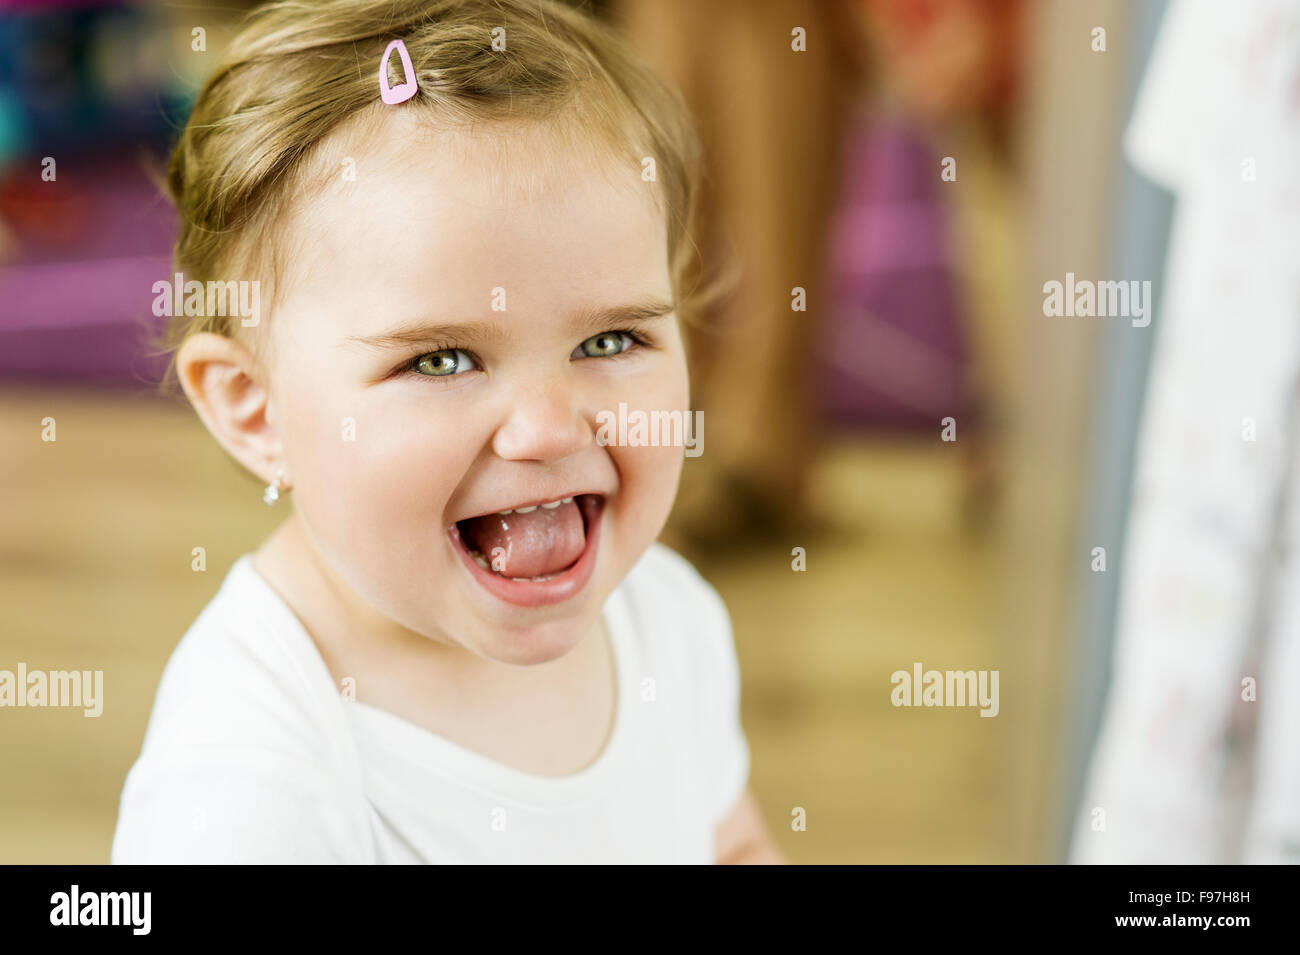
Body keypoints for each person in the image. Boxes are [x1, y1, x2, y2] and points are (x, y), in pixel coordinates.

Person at [111, 0, 784, 864]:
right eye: (442, 361)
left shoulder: (665, 615)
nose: (545, 428)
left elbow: (729, 843)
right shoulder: (249, 771)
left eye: (611, 340)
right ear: (255, 408)